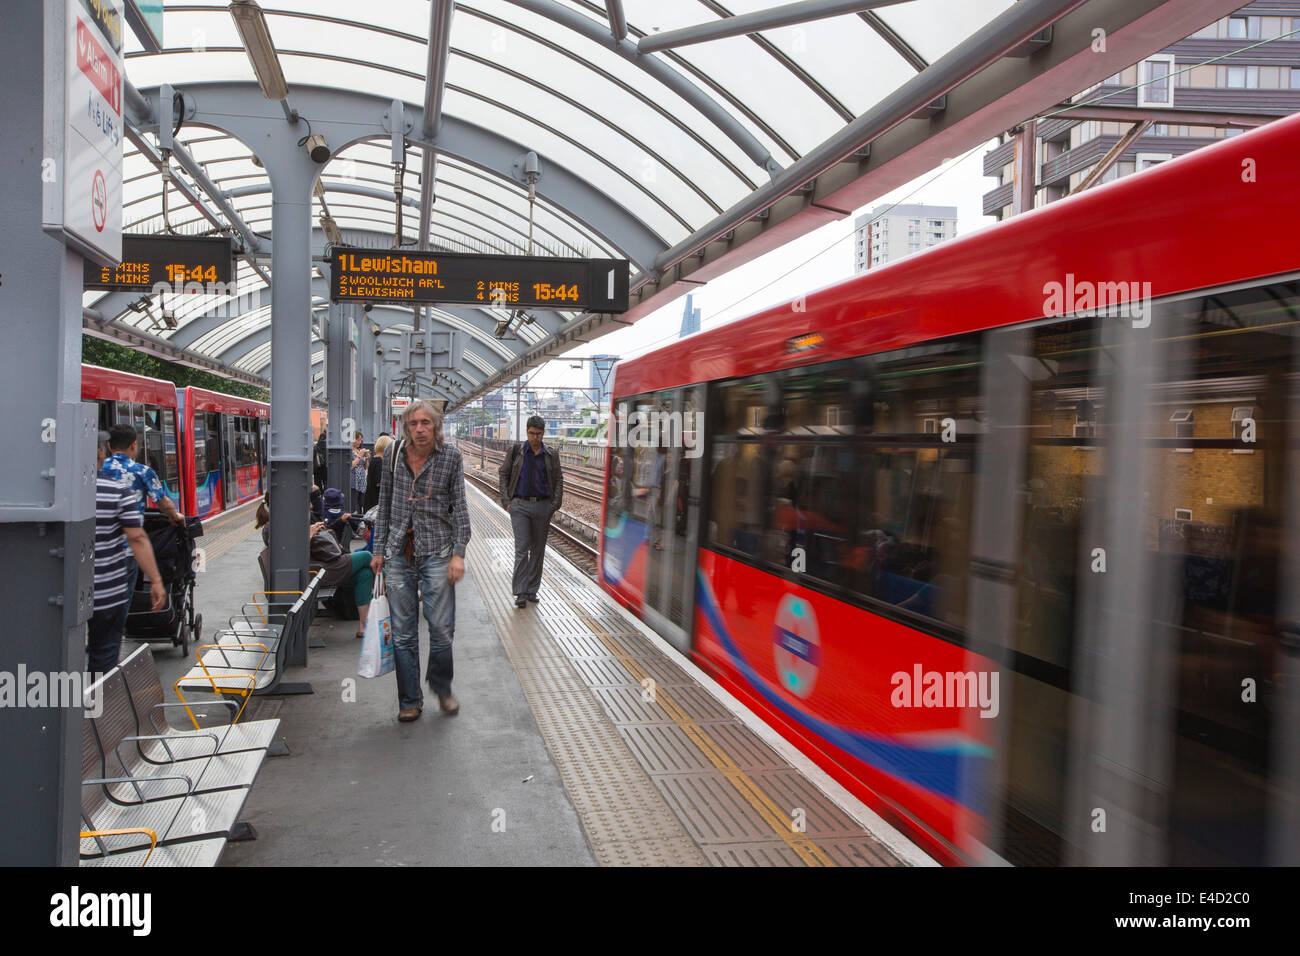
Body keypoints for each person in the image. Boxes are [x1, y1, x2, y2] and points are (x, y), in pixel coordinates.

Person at [372, 400, 470, 722]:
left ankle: (442, 688)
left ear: (436, 425)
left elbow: (460, 508)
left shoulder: (451, 457)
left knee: (441, 629)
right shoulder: (394, 455)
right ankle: (409, 700)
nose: (420, 429)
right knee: (403, 632)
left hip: (439, 551)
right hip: (399, 553)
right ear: (406, 426)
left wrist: (459, 554)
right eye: (414, 423)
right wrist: (378, 550)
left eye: (426, 423)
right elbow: (384, 505)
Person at [90, 432, 165, 675]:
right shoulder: (117, 489)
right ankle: (96, 704)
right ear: (101, 452)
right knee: (104, 650)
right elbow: (137, 537)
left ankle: (60, 706)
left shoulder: (57, 491)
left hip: (64, 592)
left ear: (110, 448)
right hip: (107, 589)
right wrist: (155, 581)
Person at [254, 498, 374, 639]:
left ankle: (364, 626)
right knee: (366, 556)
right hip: (319, 571)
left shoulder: (279, 524)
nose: (310, 505)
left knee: (365, 574)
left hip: (318, 568)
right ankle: (390, 587)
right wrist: (309, 534)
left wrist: (311, 530)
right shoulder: (274, 528)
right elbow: (290, 554)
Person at [100, 423, 184, 603]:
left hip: (99, 550)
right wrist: (175, 516)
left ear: (108, 446)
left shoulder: (98, 469)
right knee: (123, 601)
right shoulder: (142, 471)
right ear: (133, 445)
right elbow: (163, 502)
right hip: (127, 549)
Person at [498, 415, 565, 608]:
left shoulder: (551, 454)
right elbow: (504, 473)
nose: (534, 437)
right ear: (526, 432)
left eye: (538, 434)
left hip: (543, 506)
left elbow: (559, 479)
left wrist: (555, 504)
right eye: (531, 433)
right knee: (522, 549)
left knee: (538, 550)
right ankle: (520, 592)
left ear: (543, 433)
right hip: (520, 505)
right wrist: (507, 501)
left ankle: (531, 590)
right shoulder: (517, 451)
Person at [363, 434, 393, 511]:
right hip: (376, 501)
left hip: (370, 499)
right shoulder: (380, 461)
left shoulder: (375, 459)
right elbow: (379, 483)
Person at [350, 431, 369, 512]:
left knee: (361, 502)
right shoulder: (349, 452)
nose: (359, 442)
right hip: (354, 480)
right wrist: (359, 456)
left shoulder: (358, 450)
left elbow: (365, 467)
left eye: (360, 440)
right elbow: (351, 466)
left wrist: (366, 459)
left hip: (361, 481)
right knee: (354, 503)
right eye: (358, 440)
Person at [313, 428, 328, 493]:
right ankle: (326, 495)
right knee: (326, 482)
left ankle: (319, 496)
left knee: (317, 483)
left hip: (317, 467)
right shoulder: (328, 447)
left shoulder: (316, 446)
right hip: (326, 467)